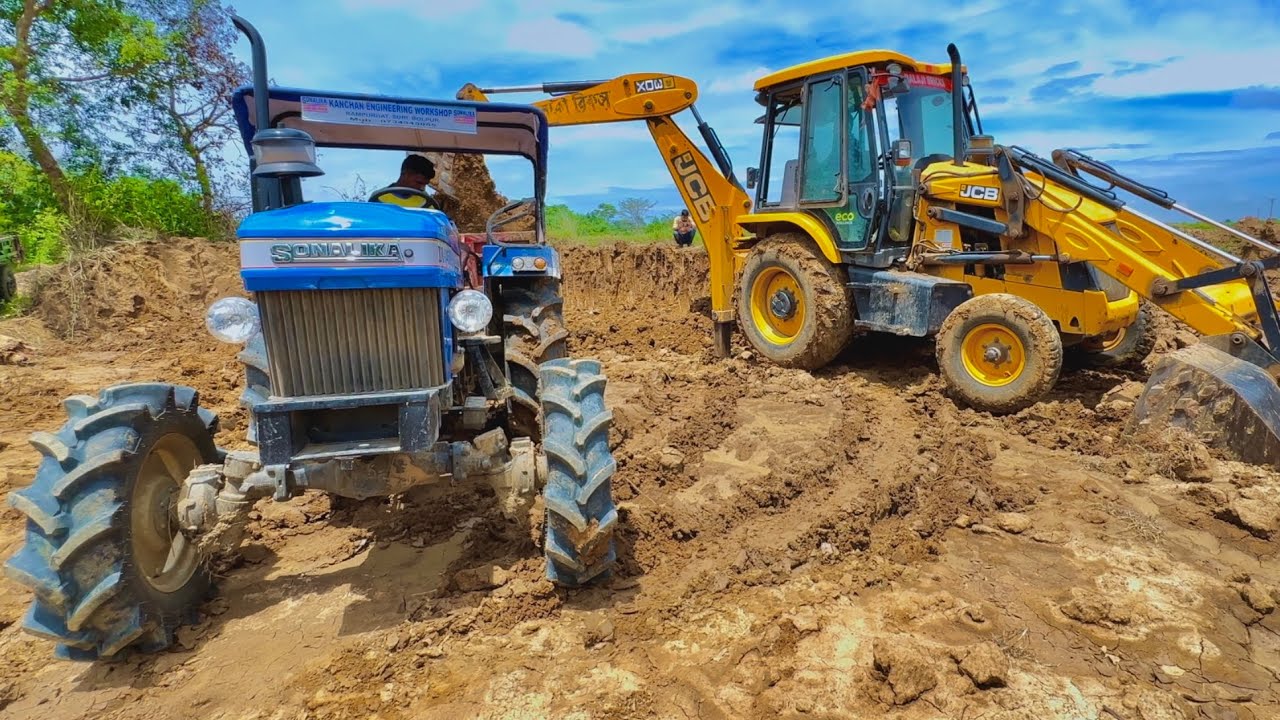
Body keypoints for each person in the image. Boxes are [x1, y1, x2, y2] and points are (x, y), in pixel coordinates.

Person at [370, 154, 441, 209]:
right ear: (405, 174)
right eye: (419, 182)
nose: (422, 188)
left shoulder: (426, 201)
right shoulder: (378, 198)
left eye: (425, 184)